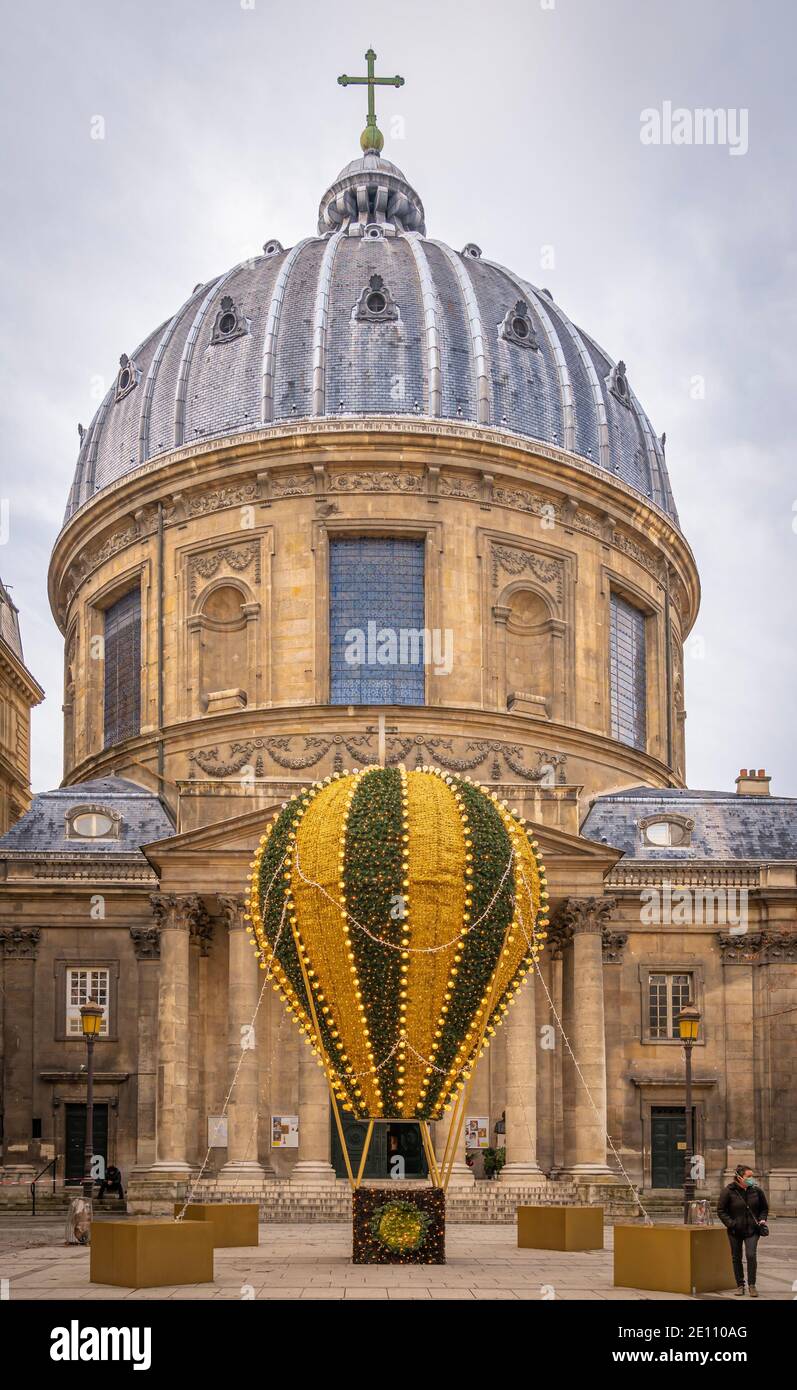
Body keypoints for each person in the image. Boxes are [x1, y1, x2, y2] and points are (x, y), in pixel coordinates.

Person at [717, 1164, 769, 1297]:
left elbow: (764, 1208)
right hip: (735, 1231)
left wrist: (762, 1219)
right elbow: (721, 1210)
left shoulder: (757, 1191)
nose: (752, 1178)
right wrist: (731, 1224)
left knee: (751, 1255)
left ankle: (752, 1285)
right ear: (739, 1177)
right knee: (736, 1257)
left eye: (752, 1176)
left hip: (752, 1229)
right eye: (749, 1176)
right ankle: (740, 1285)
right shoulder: (728, 1191)